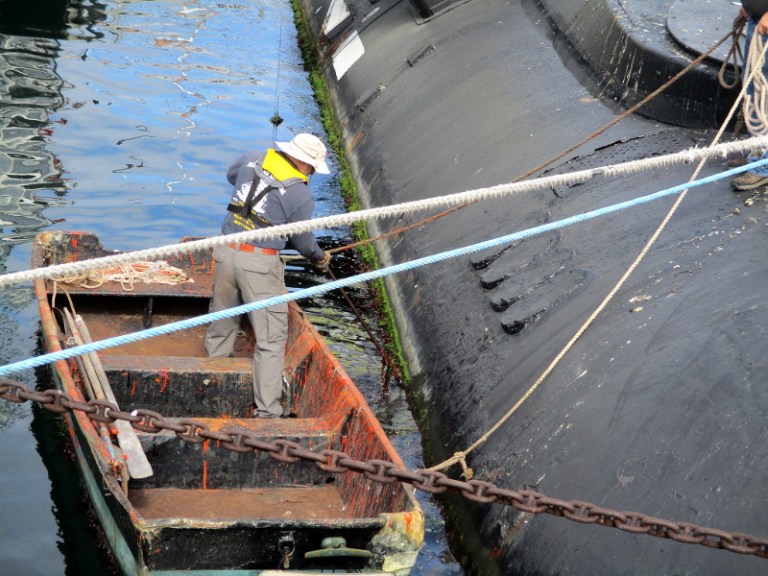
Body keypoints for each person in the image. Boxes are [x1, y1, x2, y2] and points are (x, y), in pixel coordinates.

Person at [205, 133, 332, 418]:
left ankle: (212, 386)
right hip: (260, 263)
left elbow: (231, 176)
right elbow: (302, 241)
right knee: (271, 338)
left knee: (222, 318)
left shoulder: (252, 158)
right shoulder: (301, 194)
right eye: (312, 168)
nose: (311, 173)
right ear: (304, 162)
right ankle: (267, 411)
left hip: (225, 251)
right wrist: (318, 256)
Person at [732, 1, 768, 190]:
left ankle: (762, 165)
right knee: (753, 92)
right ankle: (756, 155)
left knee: (764, 97)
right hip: (759, 21)